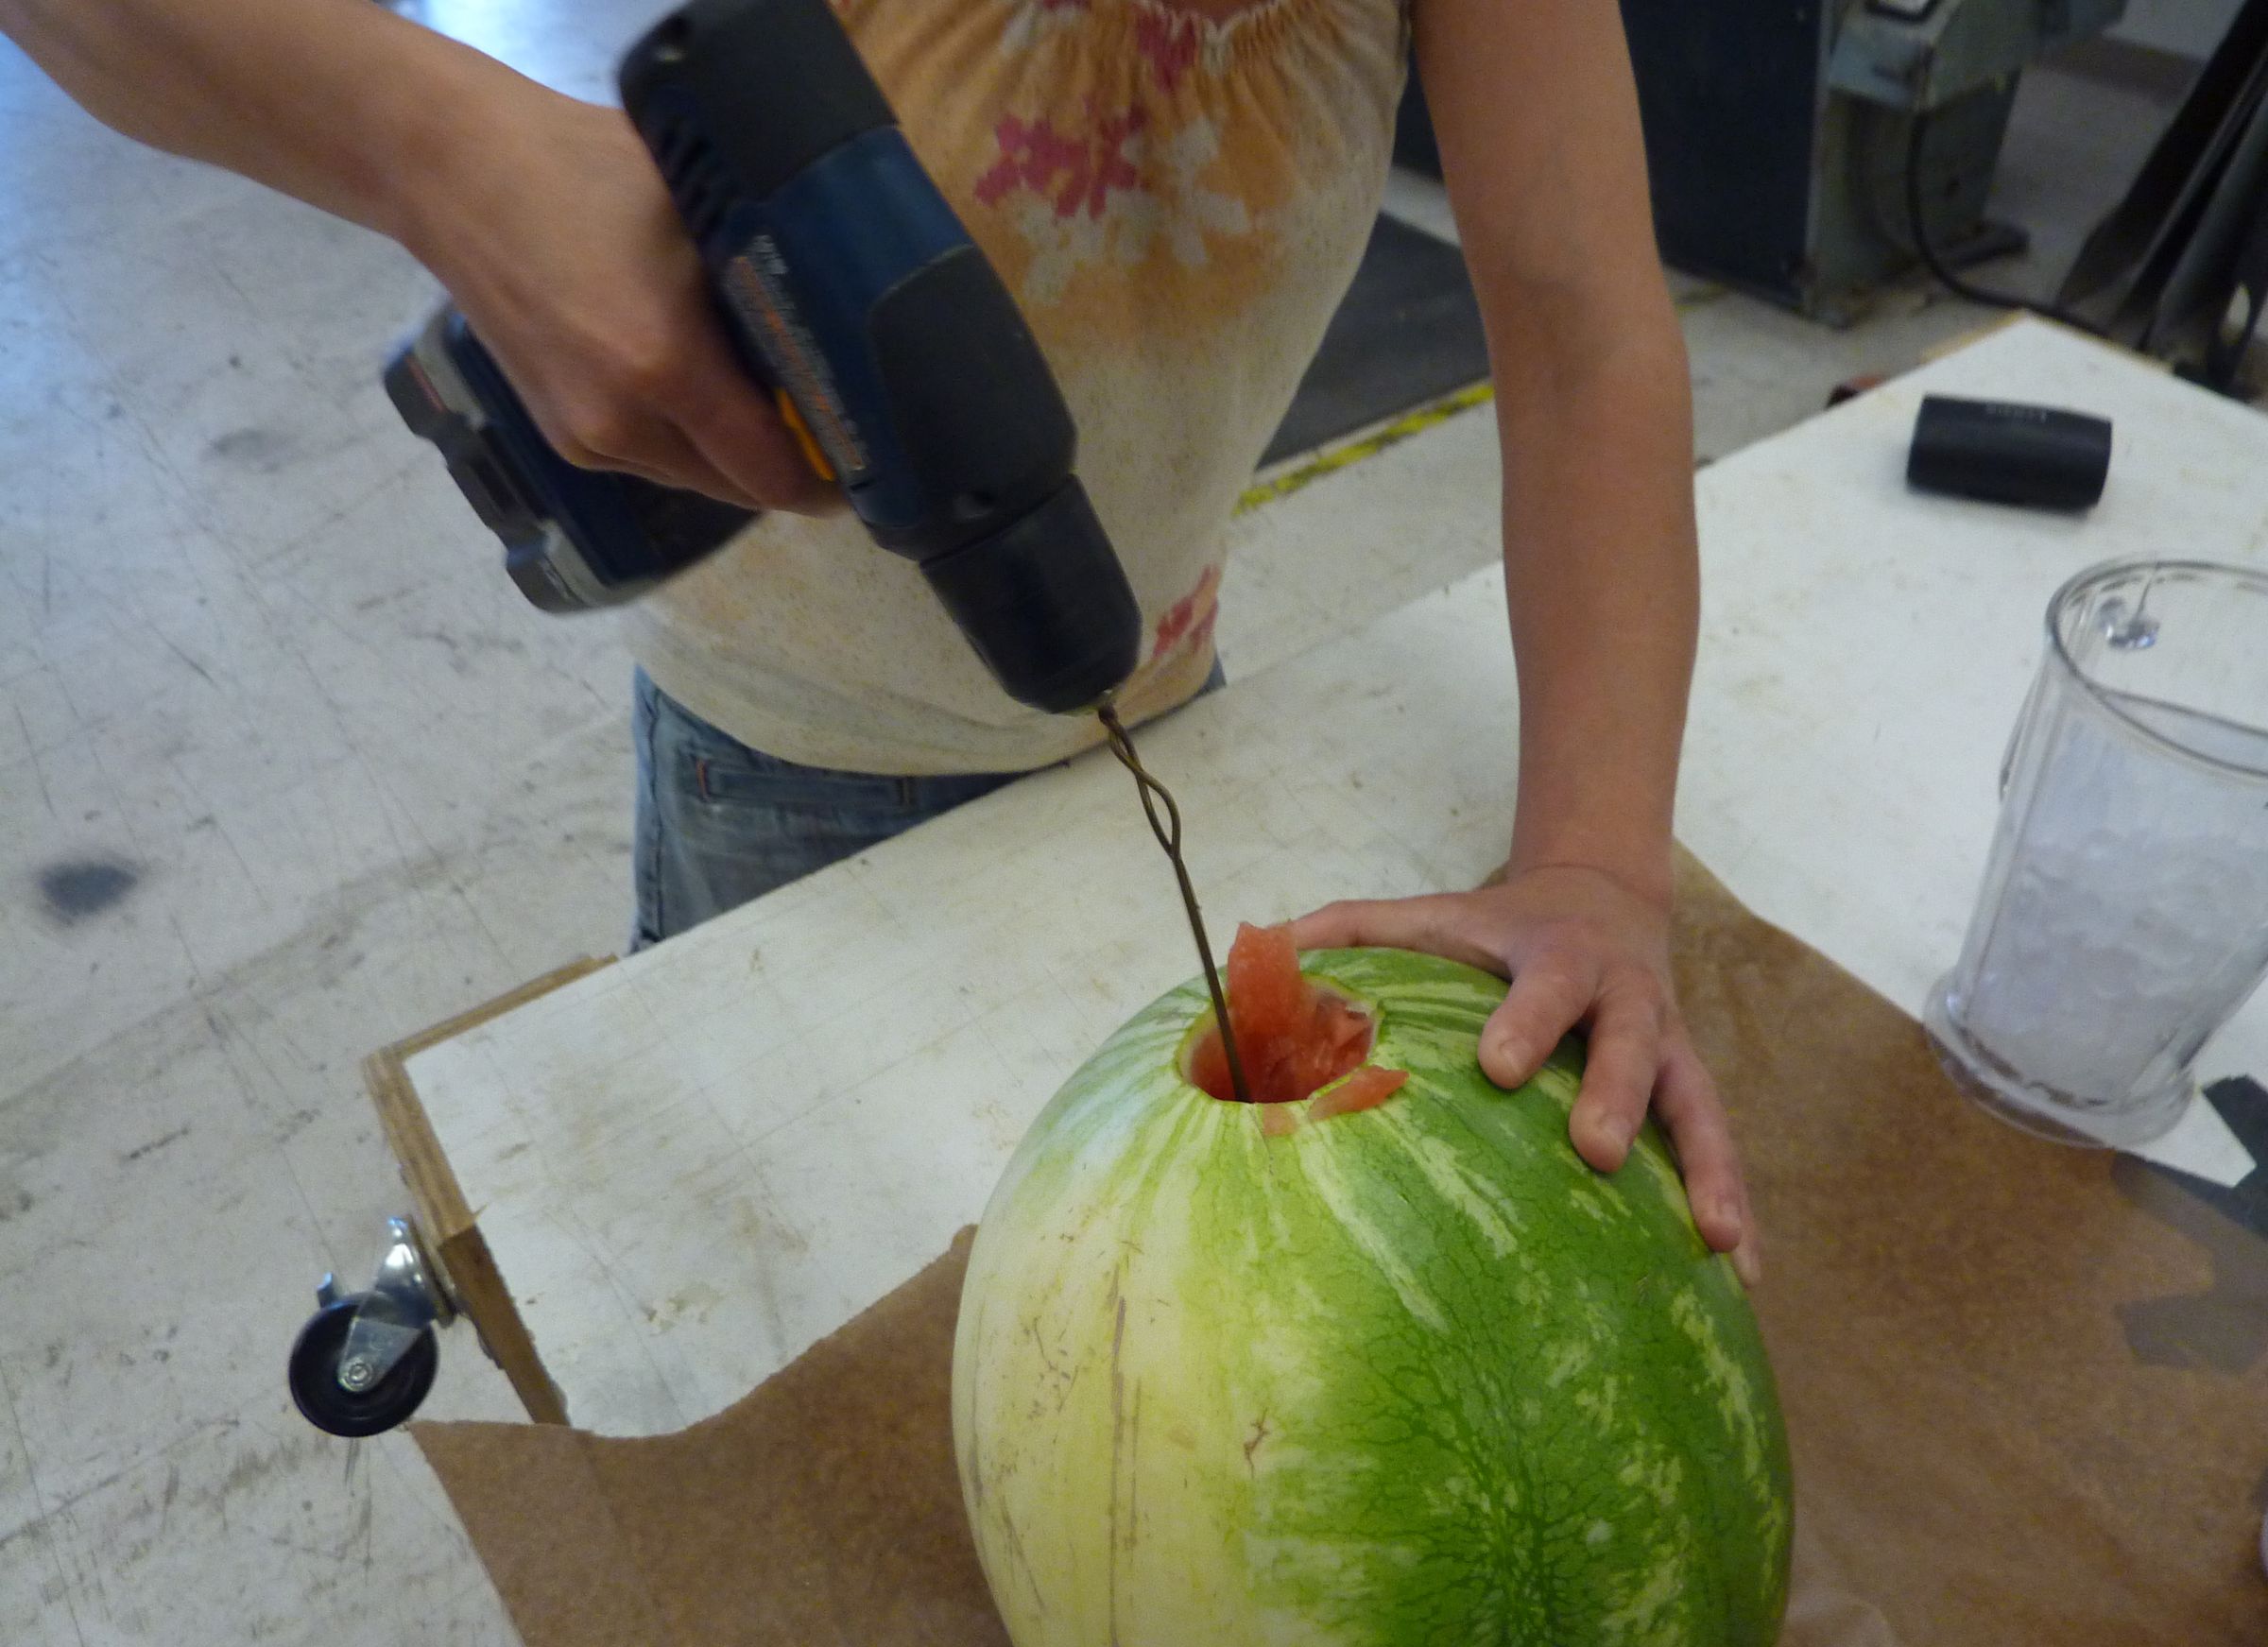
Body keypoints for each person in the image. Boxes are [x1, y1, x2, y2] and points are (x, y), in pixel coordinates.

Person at [2, 0, 1757, 1279]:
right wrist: (443, 146)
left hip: (1170, 701)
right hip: (779, 770)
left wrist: (1598, 863)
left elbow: (1587, 321)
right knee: (821, 1294)